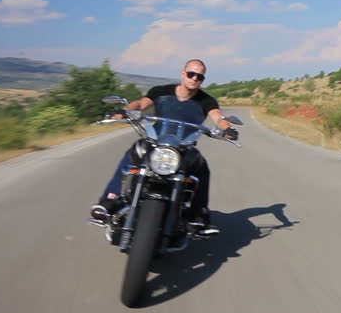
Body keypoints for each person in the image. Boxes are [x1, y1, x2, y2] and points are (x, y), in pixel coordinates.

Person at [89, 59, 237, 236]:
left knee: (202, 169)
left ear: (202, 79)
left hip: (185, 147)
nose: (194, 78)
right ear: (183, 74)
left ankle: (198, 215)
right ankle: (109, 202)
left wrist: (227, 128)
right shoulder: (161, 91)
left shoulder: (207, 100)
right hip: (155, 142)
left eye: (199, 76)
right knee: (133, 153)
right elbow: (141, 104)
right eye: (191, 74)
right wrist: (125, 110)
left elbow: (218, 116)